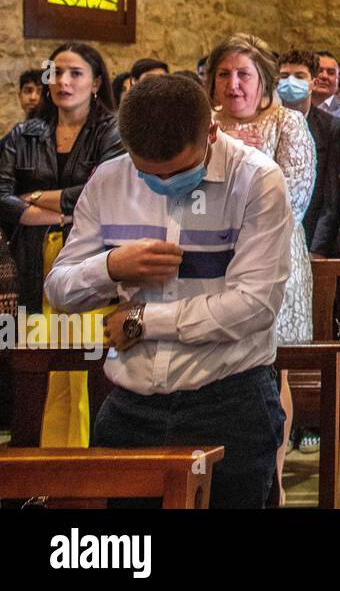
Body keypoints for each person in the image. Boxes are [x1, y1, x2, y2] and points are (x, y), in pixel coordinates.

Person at [45, 74, 291, 508]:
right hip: (131, 407)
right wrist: (110, 266)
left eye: (179, 171)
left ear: (211, 132)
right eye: (148, 174)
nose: (164, 183)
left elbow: (254, 305)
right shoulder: (109, 180)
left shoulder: (256, 180)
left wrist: (141, 321)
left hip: (229, 401)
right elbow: (60, 290)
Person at [0, 42, 123, 446]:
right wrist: (61, 208)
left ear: (96, 82)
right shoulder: (25, 132)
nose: (63, 81)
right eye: (57, 72)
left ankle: (89, 460)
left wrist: (34, 197)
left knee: (84, 357)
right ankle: (33, 465)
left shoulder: (111, 130)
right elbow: (3, 196)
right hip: (29, 257)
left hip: (88, 256)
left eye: (75, 73)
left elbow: (97, 192)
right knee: (32, 355)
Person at [207, 34, 316, 481]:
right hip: (210, 262)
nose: (233, 85)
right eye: (223, 74)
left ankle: (270, 477)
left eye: (243, 74)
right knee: (216, 369)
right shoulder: (199, 126)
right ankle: (216, 472)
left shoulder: (287, 123)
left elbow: (293, 197)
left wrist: (243, 157)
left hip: (275, 262)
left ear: (262, 80)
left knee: (273, 370)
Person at [277, 49, 340, 258]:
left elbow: (331, 198)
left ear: (312, 82)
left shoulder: (332, 127)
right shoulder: (268, 123)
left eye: (299, 76)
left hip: (311, 234)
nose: (291, 82)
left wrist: (318, 249)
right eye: (284, 77)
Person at [311, 50, 340, 120]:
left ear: (338, 79)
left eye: (331, 73)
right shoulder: (292, 107)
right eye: (319, 70)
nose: (324, 76)